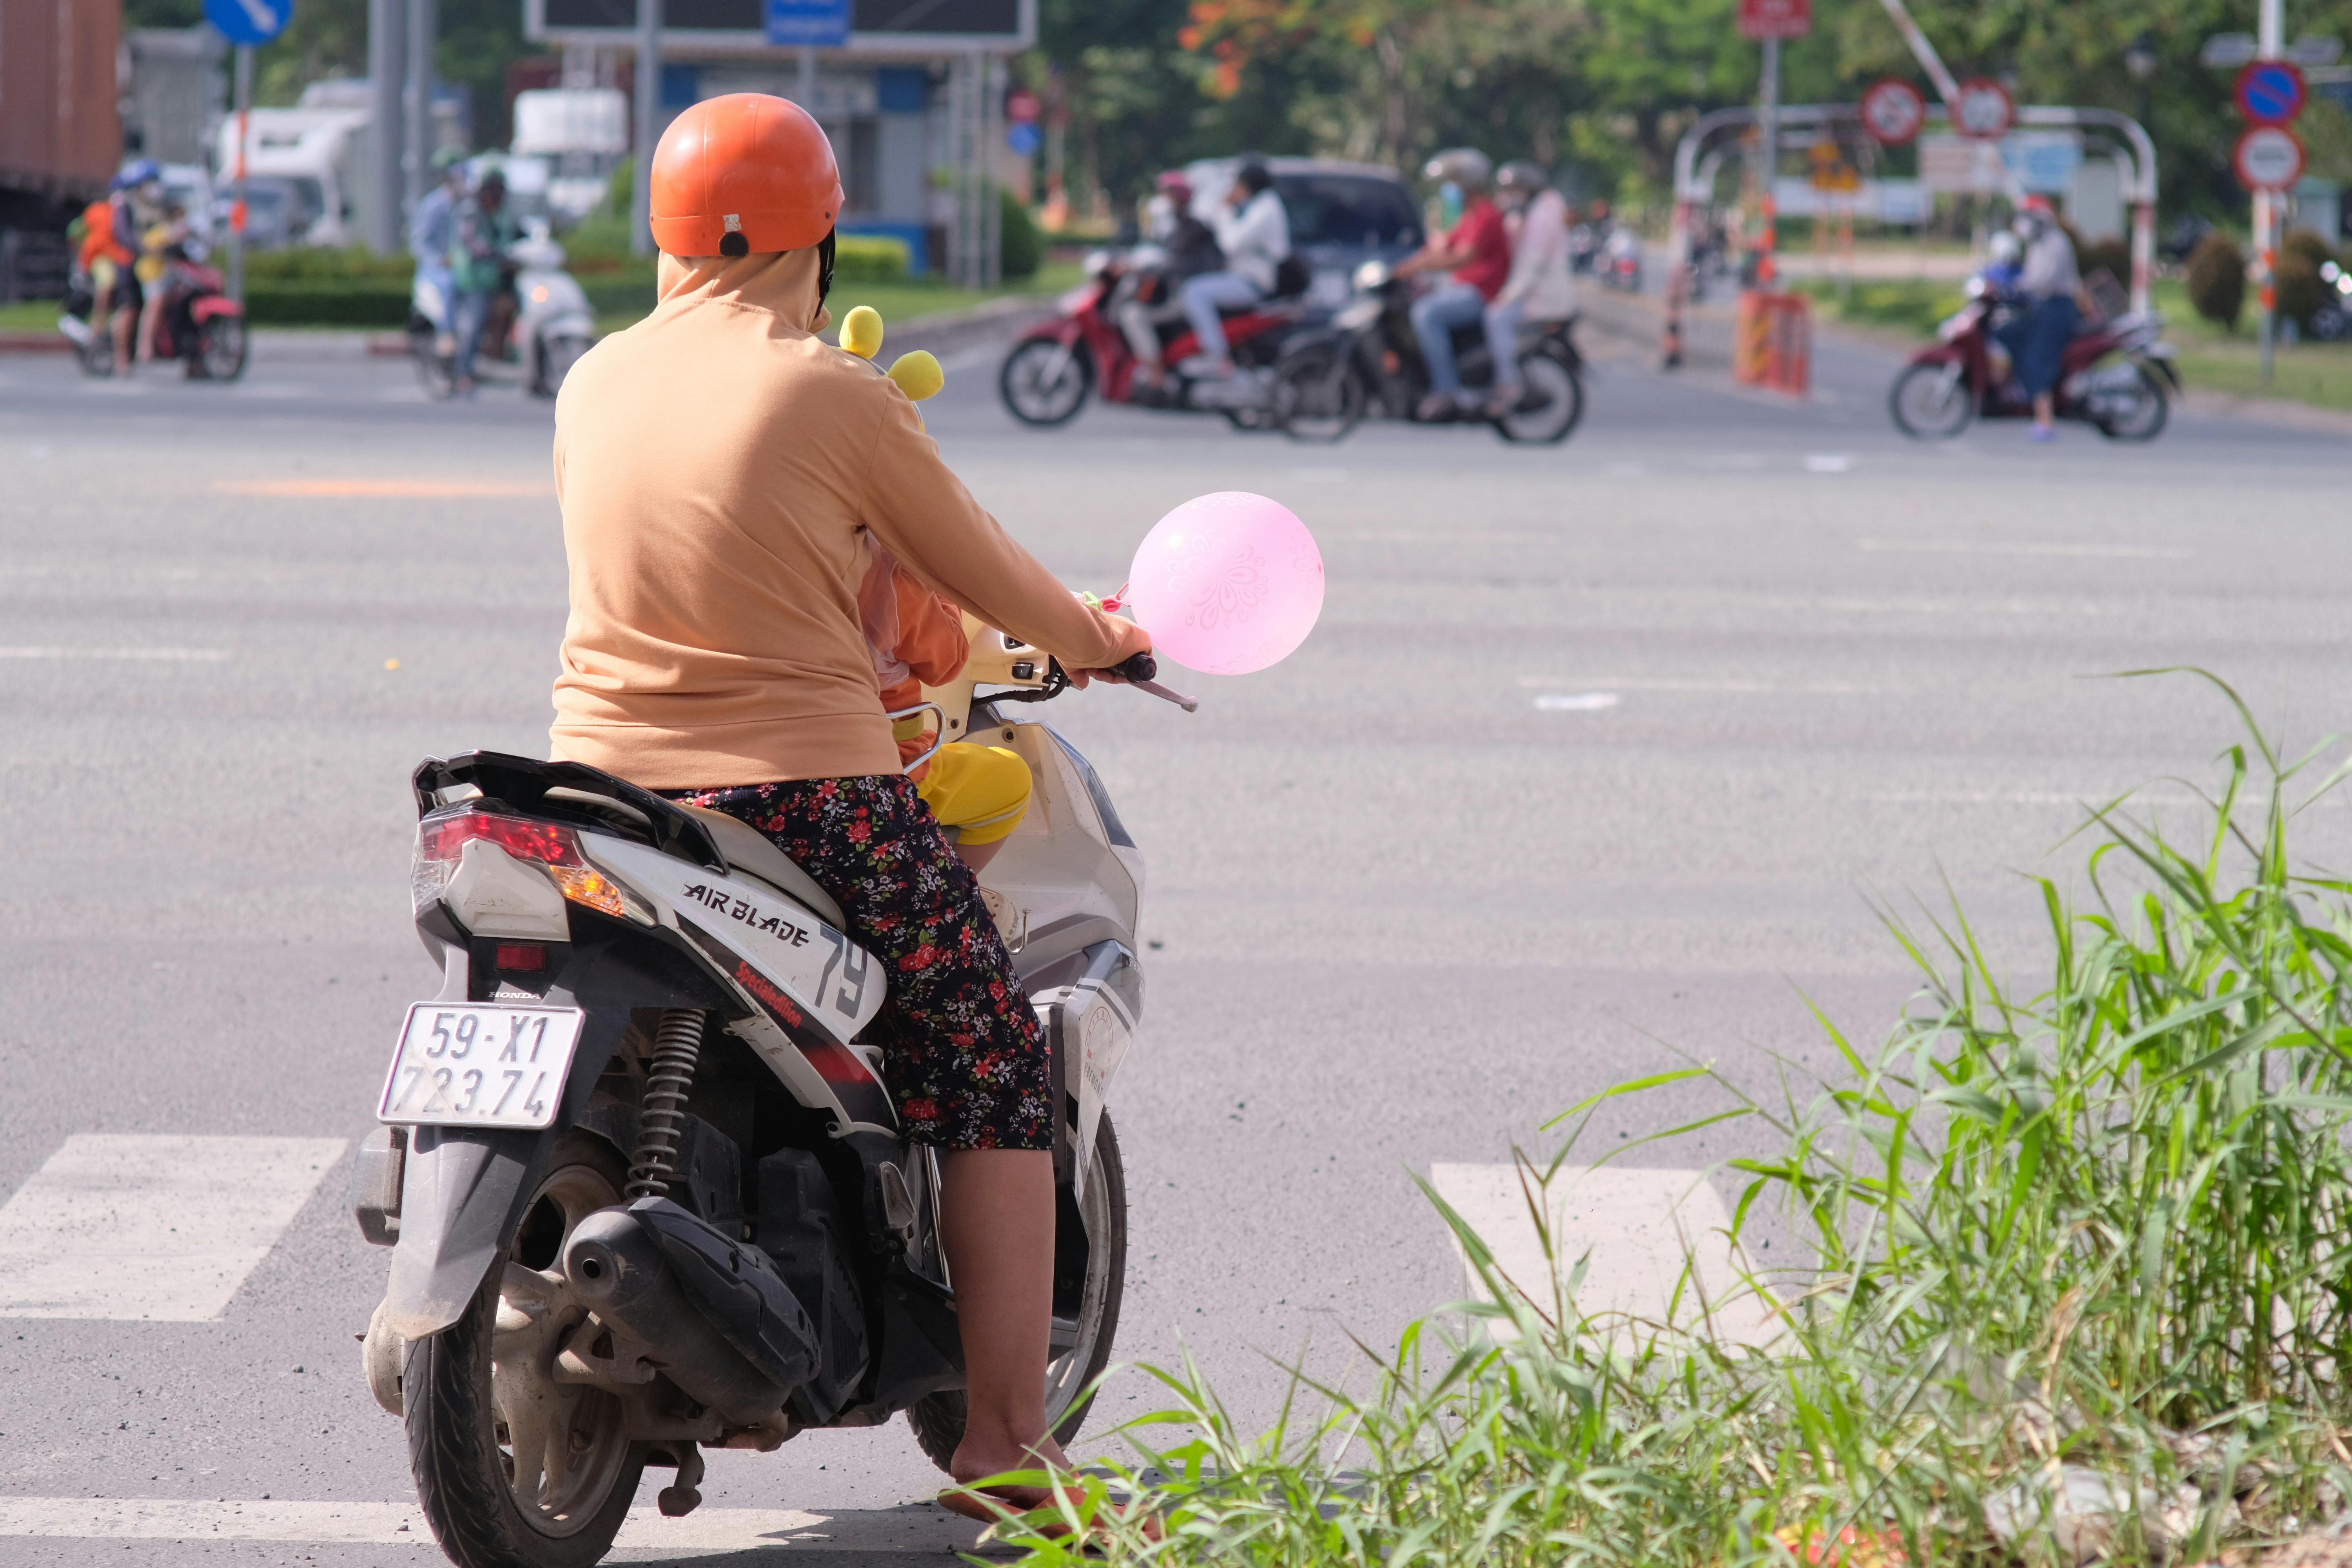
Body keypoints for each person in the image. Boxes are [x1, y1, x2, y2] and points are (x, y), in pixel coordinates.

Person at [548, 93, 1151, 1521]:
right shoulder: (829, 388)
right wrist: (1093, 636)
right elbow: (979, 568)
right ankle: (1007, 1441)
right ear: (817, 239)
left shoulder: (595, 378)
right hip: (801, 794)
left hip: (599, 794)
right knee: (992, 1045)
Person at [858, 538, 1035, 873]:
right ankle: (950, 890)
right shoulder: (887, 573)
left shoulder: (772, 559)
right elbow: (947, 662)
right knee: (1011, 780)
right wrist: (936, 586)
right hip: (881, 767)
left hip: (756, 751)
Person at [1394, 148, 1512, 420]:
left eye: (1453, 182)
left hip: (1482, 293)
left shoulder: (1487, 215)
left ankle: (1446, 390)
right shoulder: (1469, 216)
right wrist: (1407, 265)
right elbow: (1442, 245)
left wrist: (1421, 265)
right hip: (1462, 288)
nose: (1450, 189)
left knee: (1426, 315)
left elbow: (1462, 257)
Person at [1176, 159, 1289, 378]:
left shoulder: (1265, 209)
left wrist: (1224, 209)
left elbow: (1231, 244)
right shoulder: (1260, 205)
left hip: (1252, 282)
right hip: (1245, 278)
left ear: (1246, 185)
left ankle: (1218, 357)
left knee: (1194, 292)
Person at [1483, 161, 1577, 420]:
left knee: (1497, 318)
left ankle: (1509, 382)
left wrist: (1508, 296)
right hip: (1535, 294)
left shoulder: (1544, 216)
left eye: (1515, 190)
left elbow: (1533, 264)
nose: (1510, 197)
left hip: (1544, 300)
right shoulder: (1534, 213)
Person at [1119, 172, 1223, 391]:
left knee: (1133, 315)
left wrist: (1147, 268)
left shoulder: (1193, 229)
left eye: (1167, 196)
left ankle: (1156, 373)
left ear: (1179, 199)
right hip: (1177, 291)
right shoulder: (1174, 227)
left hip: (1183, 295)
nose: (1162, 201)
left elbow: (1176, 263)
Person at [1996, 196, 2082, 441]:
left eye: (2027, 218)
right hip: (2039, 308)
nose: (2022, 224)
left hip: (2057, 309)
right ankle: (2016, 394)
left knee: (2036, 359)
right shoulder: (2037, 245)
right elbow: (2028, 278)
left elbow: (2042, 281)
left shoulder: (2056, 243)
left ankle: (2046, 420)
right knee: (2007, 333)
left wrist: (2015, 289)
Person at [447, 165, 518, 395]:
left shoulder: (498, 211)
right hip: (474, 278)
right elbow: (472, 241)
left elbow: (515, 232)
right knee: (475, 325)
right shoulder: (471, 210)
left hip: (494, 277)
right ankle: (463, 372)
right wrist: (495, 254)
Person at [106, 162, 167, 372]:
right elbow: (123, 235)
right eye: (149, 183)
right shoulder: (125, 205)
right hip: (128, 264)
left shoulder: (152, 205)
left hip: (150, 264)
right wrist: (142, 248)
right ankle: (122, 358)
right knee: (130, 309)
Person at [409, 147, 467, 358]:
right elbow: (419, 243)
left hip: (461, 267)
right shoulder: (433, 205)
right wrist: (441, 259)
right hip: (436, 270)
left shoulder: (465, 204)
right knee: (448, 286)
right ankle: (447, 335)